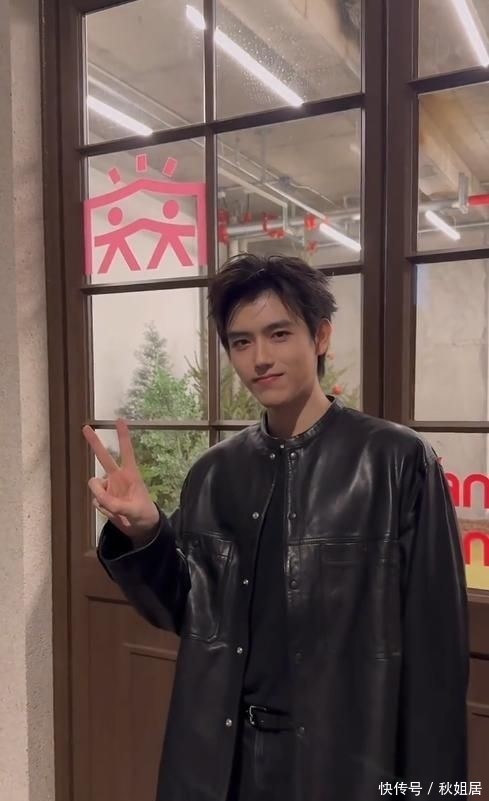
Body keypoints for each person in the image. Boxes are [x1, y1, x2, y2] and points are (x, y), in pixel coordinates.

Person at [83, 254, 469, 801]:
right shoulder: (214, 473)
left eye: (279, 334)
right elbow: (184, 612)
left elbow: (436, 658)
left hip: (345, 761)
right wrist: (146, 534)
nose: (260, 358)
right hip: (224, 758)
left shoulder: (396, 461)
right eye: (241, 342)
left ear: (321, 336)